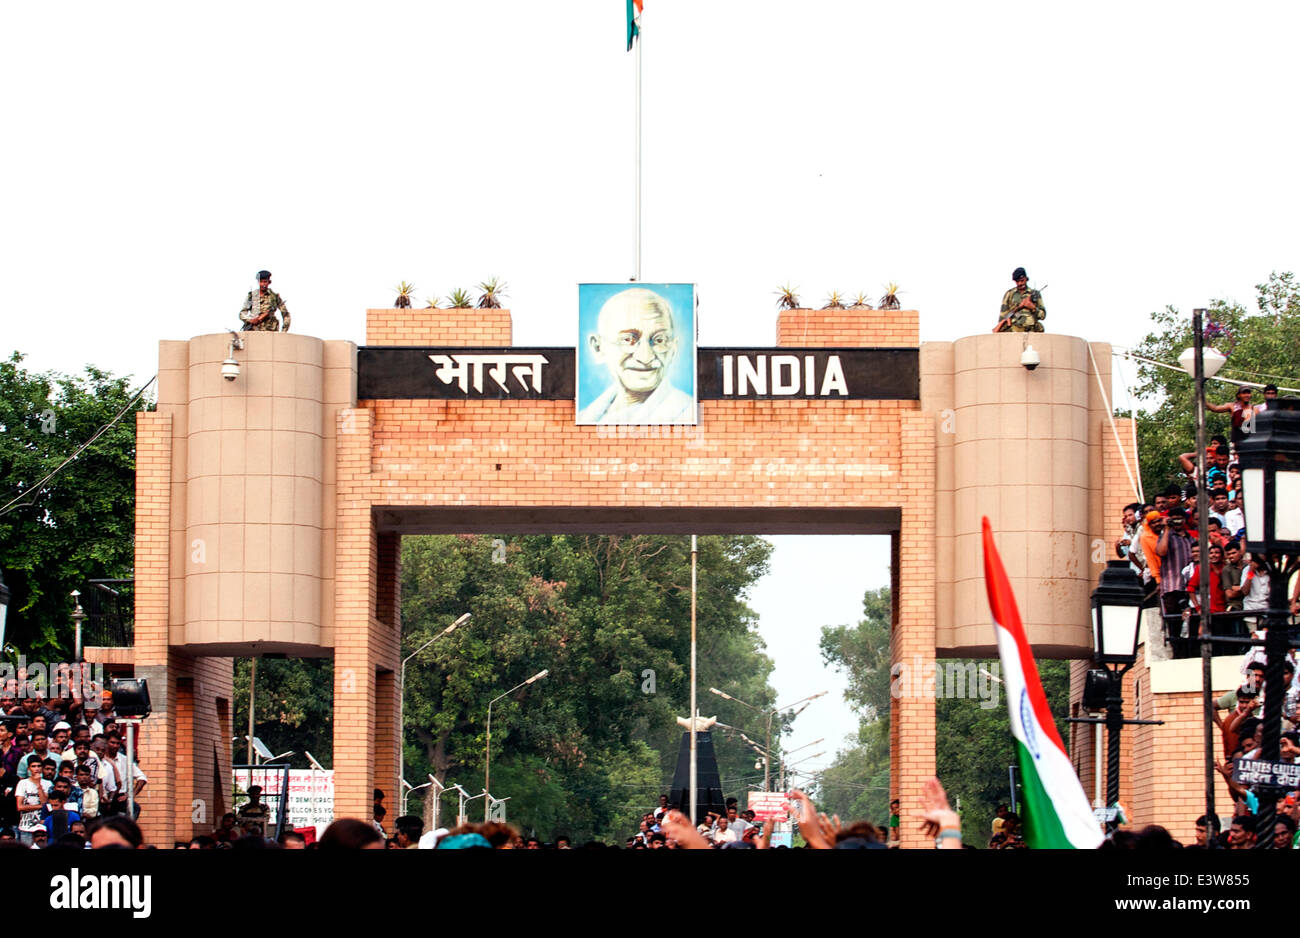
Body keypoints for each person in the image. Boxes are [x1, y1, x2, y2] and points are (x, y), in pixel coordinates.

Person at [577, 287, 695, 424]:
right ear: (598, 347)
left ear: (673, 349)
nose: (645, 357)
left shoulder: (687, 413)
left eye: (659, 340)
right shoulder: (586, 417)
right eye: (628, 340)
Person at [995, 267, 1045, 333]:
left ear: (1026, 279)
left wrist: (1033, 307)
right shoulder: (1009, 294)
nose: (1020, 283)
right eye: (1017, 281)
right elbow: (1003, 316)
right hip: (1013, 331)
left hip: (1031, 330)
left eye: (1022, 280)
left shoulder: (1034, 294)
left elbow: (1043, 316)